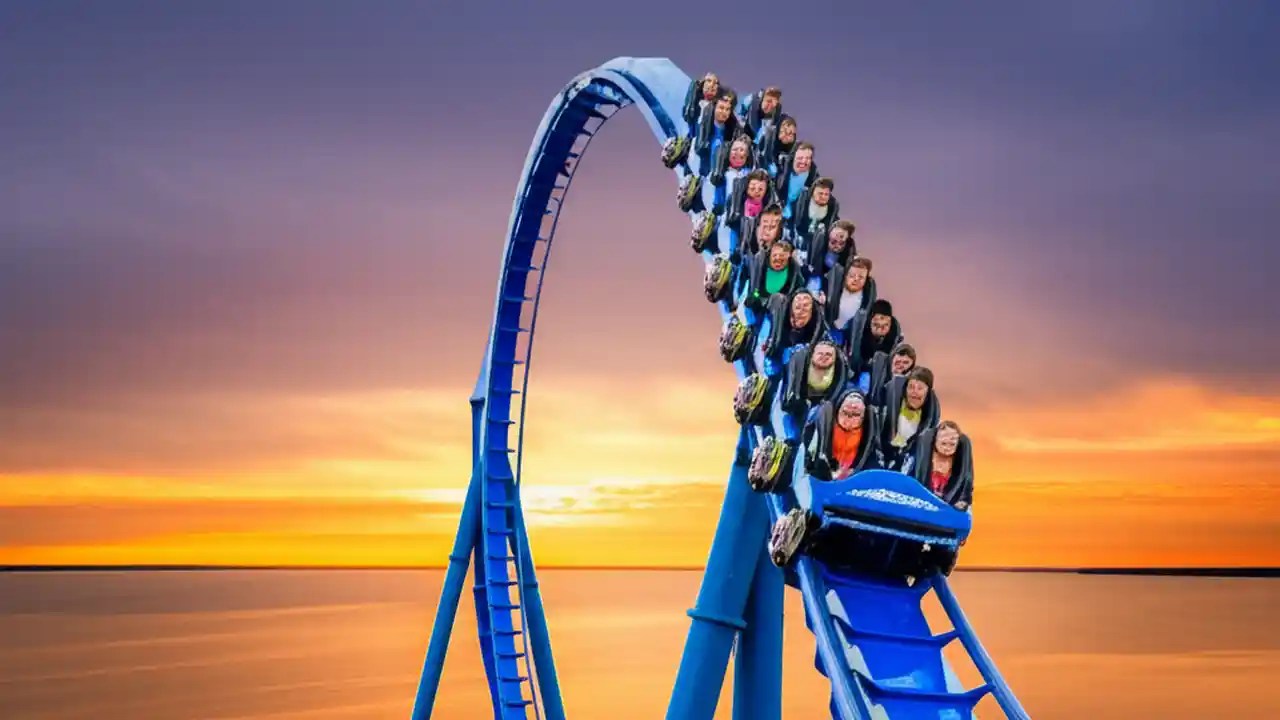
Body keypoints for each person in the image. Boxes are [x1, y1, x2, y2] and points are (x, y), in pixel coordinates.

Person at [805, 389, 879, 481]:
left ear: (863, 418)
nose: (849, 420)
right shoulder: (824, 420)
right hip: (824, 473)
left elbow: (875, 459)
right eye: (845, 413)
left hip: (852, 476)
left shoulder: (869, 430)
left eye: (855, 414)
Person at [877, 366, 940, 470]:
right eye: (911, 387)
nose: (914, 392)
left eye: (920, 388)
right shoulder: (888, 406)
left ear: (928, 392)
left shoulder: (932, 420)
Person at [905, 420, 972, 511]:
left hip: (946, 505)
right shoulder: (923, 454)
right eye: (943, 444)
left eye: (952, 445)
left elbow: (967, 482)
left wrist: (963, 500)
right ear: (936, 440)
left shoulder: (960, 461)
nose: (947, 448)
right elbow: (908, 478)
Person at [780, 339, 849, 415]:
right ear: (812, 355)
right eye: (820, 353)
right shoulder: (799, 364)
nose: (824, 357)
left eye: (828, 354)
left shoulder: (840, 369)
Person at [759, 289, 824, 368]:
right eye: (798, 307)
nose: (800, 312)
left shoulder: (816, 329)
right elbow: (759, 298)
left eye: (805, 308)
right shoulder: (777, 309)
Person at [820, 258, 876, 340]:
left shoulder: (867, 299)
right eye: (852, 276)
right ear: (846, 275)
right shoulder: (834, 289)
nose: (856, 279)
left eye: (861, 277)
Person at [743, 239, 803, 312]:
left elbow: (799, 288)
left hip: (779, 306)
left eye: (782, 257)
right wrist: (754, 297)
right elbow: (754, 287)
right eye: (774, 256)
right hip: (758, 298)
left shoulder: (794, 269)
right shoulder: (760, 262)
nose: (778, 258)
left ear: (788, 258)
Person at [848, 298, 902, 377]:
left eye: (885, 325)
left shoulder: (894, 336)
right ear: (870, 320)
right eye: (876, 325)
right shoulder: (858, 328)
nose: (880, 329)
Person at [695, 92, 740, 175]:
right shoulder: (704, 126)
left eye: (727, 109)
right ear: (714, 108)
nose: (724, 112)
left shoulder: (733, 130)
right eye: (721, 108)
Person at [776, 142, 818, 220]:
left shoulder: (814, 179)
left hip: (797, 219)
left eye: (808, 158)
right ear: (793, 157)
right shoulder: (781, 169)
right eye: (800, 158)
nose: (804, 161)